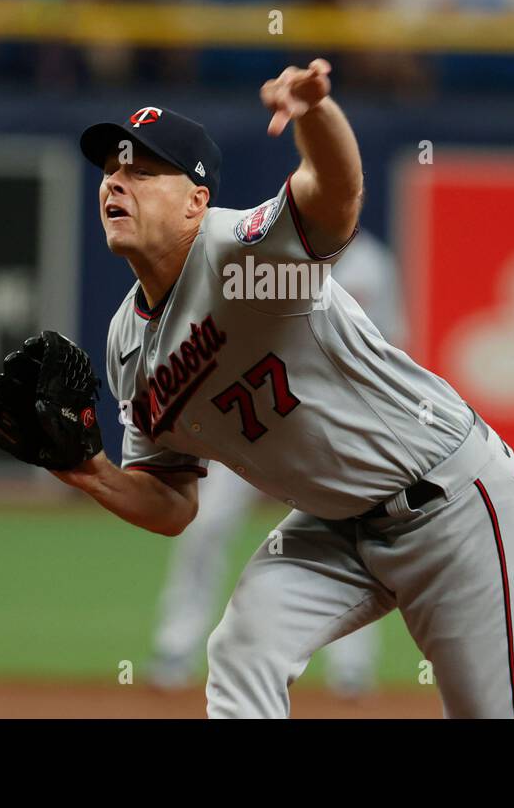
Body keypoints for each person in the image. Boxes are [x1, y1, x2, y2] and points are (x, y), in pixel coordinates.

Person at [0, 59, 514, 718]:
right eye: (112, 170)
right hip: (333, 524)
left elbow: (336, 195)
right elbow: (173, 503)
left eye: (143, 171)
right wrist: (87, 471)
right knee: (242, 650)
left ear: (197, 200)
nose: (117, 181)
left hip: (452, 498)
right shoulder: (126, 347)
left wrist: (315, 112)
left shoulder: (242, 253)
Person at [147, 229, 404, 697]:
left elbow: (392, 348)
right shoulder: (269, 255)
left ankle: (352, 666)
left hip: (334, 429)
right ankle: (175, 647)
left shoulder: (372, 263)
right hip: (258, 418)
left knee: (361, 537)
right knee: (205, 527)